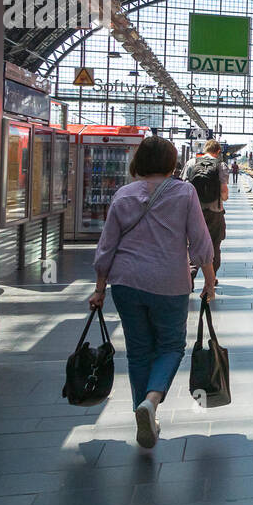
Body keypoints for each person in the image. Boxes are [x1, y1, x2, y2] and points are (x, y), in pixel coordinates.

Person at [90, 136, 215, 449]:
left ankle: (140, 411)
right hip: (169, 282)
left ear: (139, 162)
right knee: (171, 345)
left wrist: (99, 288)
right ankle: (151, 402)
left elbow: (106, 247)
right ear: (171, 162)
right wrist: (209, 282)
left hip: (126, 283)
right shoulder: (184, 192)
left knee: (138, 350)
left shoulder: (123, 195)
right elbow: (200, 242)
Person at [183, 139, 229, 288]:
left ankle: (190, 274)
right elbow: (224, 192)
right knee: (215, 244)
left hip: (194, 212)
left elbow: (183, 187)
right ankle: (212, 278)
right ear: (218, 152)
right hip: (215, 212)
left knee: (193, 243)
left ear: (204, 149)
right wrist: (223, 198)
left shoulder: (191, 163)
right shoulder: (221, 165)